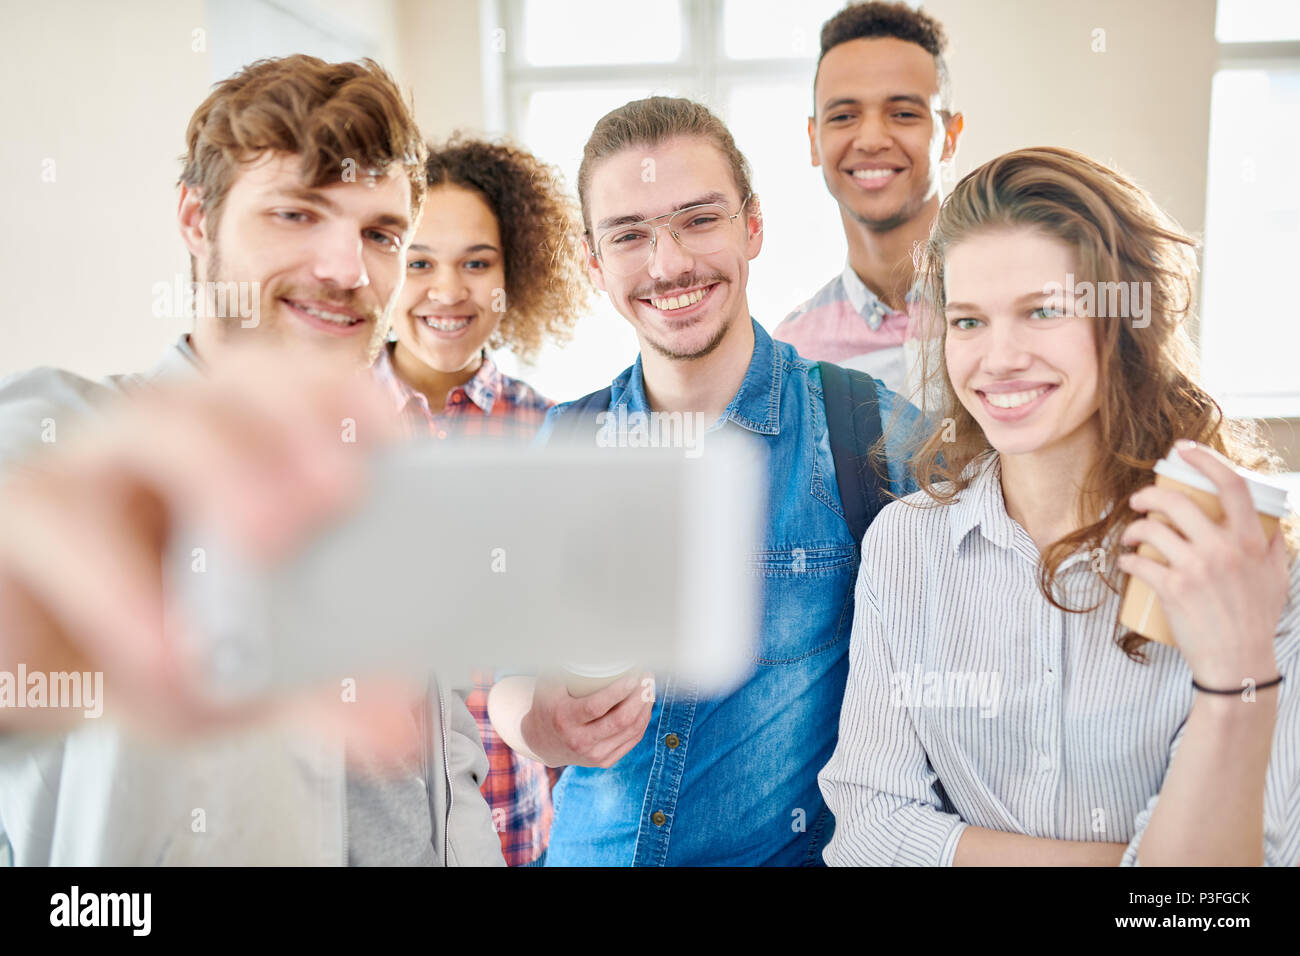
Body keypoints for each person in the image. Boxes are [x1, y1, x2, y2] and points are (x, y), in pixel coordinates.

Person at [0, 55, 504, 865]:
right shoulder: (71, 436)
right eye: (296, 214)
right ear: (197, 220)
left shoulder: (393, 486)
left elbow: (445, 777)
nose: (347, 271)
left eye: (379, 234)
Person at [819, 146, 1300, 866]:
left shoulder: (1246, 558)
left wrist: (1235, 667)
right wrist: (1130, 862)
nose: (1000, 357)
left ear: (1124, 325)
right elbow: (868, 833)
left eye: (1043, 311)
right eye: (970, 321)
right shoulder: (904, 546)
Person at [487, 96, 922, 866]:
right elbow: (513, 675)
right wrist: (542, 724)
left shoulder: (868, 432)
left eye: (699, 219)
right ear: (595, 265)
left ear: (752, 227)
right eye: (629, 236)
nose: (669, 264)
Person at [372, 136, 588, 864]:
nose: (447, 290)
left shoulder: (554, 436)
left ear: (513, 273)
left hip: (520, 832)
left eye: (477, 262)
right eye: (418, 261)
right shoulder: (321, 433)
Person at [774, 1, 963, 400]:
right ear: (814, 140)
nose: (872, 139)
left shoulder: (1012, 308)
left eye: (904, 113)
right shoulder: (793, 357)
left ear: (949, 136)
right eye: (843, 116)